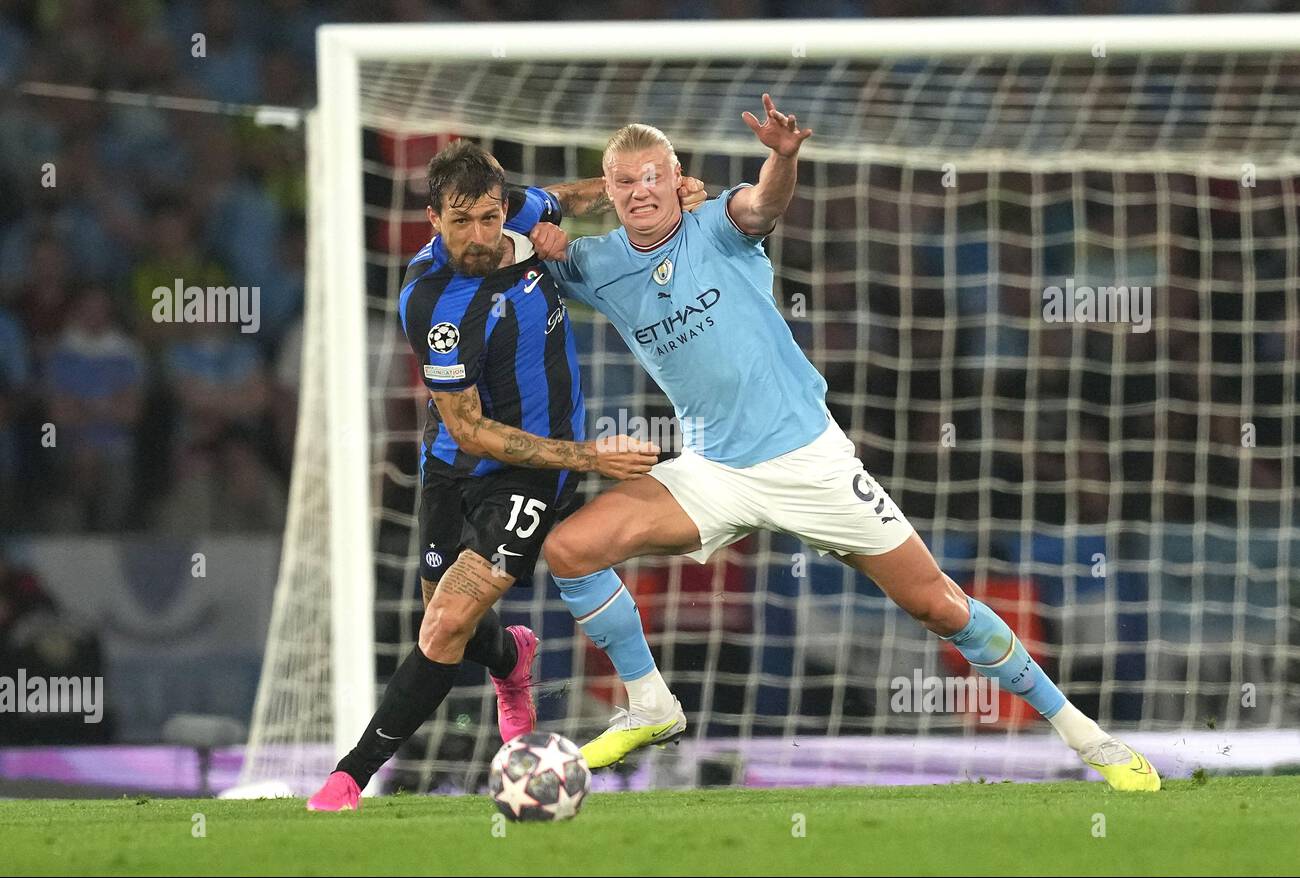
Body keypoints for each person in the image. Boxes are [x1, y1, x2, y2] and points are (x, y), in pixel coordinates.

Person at [534, 95, 1160, 792]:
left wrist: (783, 156)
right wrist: (546, 232)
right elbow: (499, 220)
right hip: (713, 469)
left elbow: (763, 205)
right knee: (570, 548)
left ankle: (1088, 737)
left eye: (653, 176)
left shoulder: (717, 223)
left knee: (937, 606)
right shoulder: (590, 264)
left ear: (678, 177)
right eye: (624, 182)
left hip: (808, 461)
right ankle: (650, 705)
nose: (640, 191)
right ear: (607, 191)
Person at [307, 141, 703, 810]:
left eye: (491, 218)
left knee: (441, 628)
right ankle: (512, 661)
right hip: (458, 465)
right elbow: (469, 430)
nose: (481, 235)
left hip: (534, 473)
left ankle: (350, 776)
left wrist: (643, 191)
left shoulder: (518, 213)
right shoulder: (432, 304)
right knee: (445, 627)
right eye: (462, 222)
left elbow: (569, 199)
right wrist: (593, 457)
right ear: (433, 217)